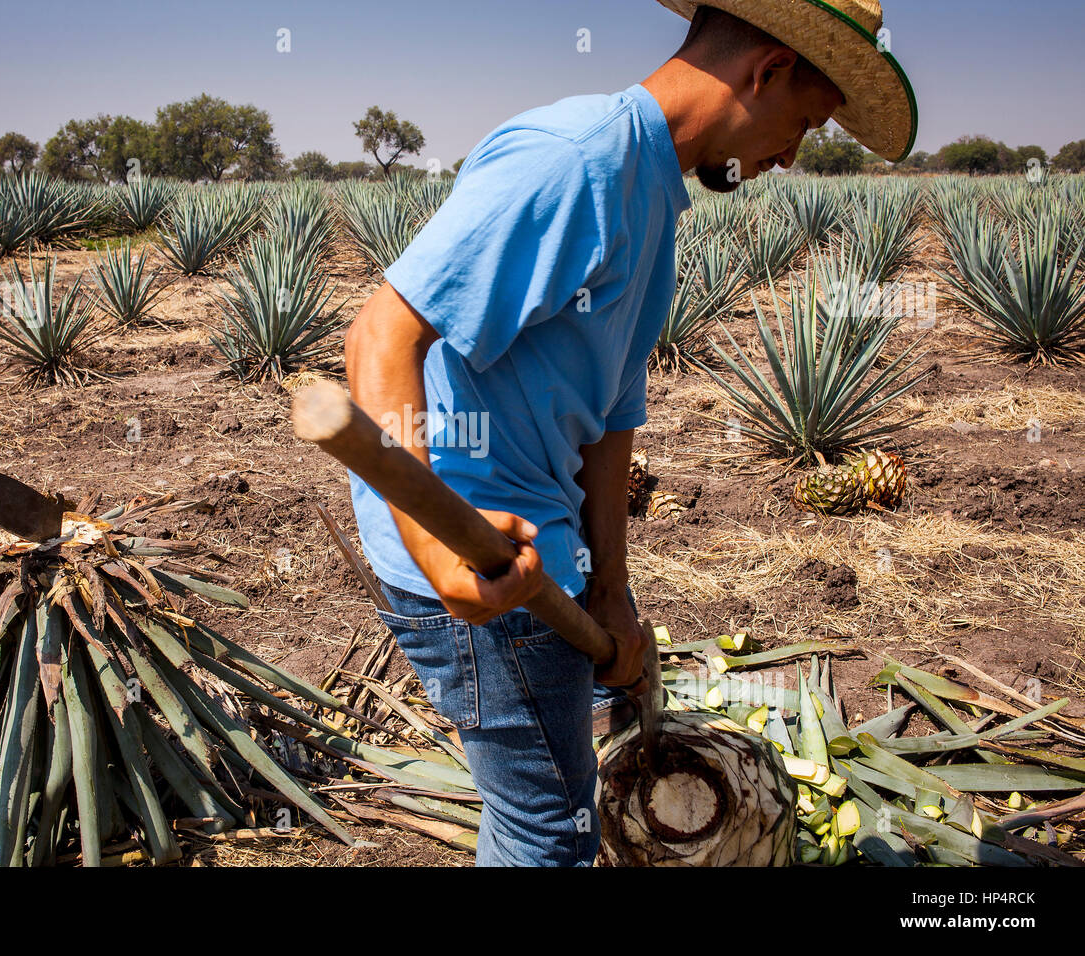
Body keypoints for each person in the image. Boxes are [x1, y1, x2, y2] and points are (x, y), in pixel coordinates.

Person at [344, 0, 917, 866]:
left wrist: (614, 589)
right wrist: (436, 551)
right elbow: (382, 335)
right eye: (804, 121)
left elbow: (609, 417)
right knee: (551, 830)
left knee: (544, 808)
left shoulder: (652, 190)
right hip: (489, 559)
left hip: (549, 564)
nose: (792, 154)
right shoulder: (574, 161)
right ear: (767, 71)